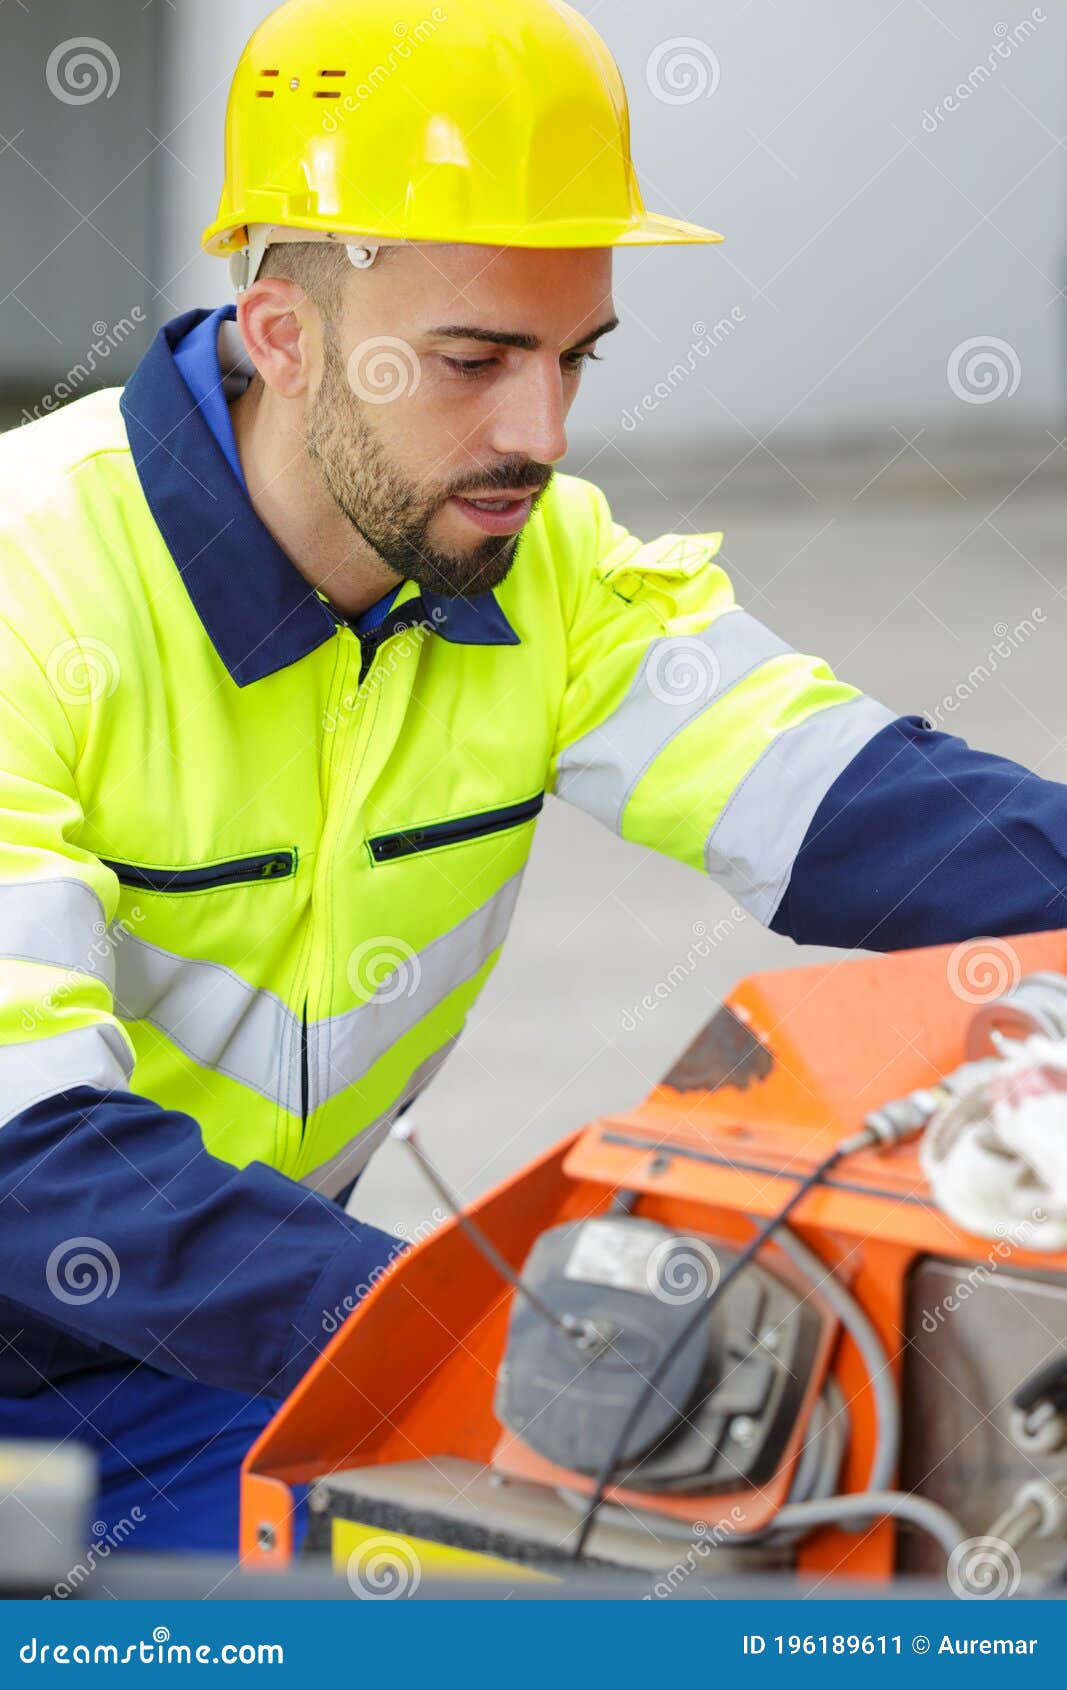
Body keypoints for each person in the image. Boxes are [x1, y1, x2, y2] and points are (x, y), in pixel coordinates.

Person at [0, 0, 1063, 1556]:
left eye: (575, 357)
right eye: (473, 359)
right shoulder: (35, 583)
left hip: (192, 1357)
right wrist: (449, 1319)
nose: (540, 431)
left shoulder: (536, 567)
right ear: (280, 334)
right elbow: (28, 1148)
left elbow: (866, 804)